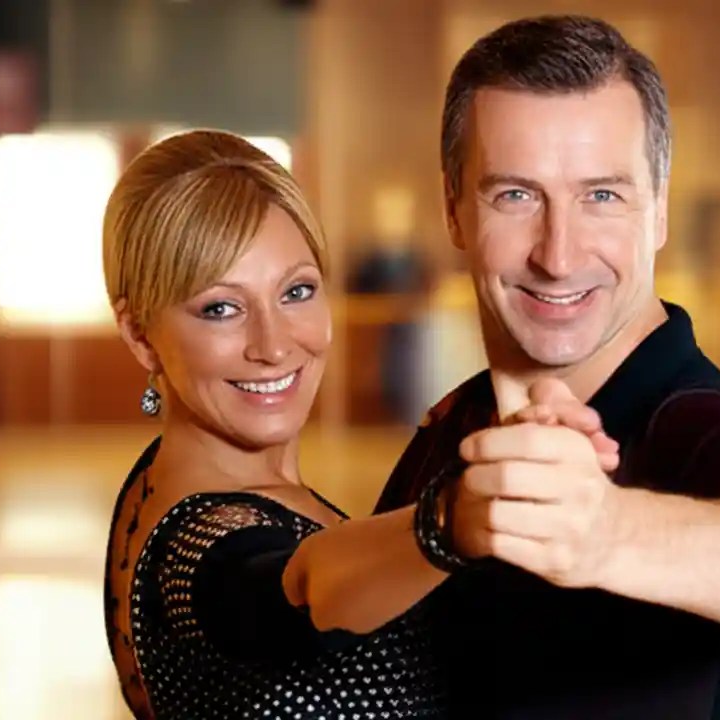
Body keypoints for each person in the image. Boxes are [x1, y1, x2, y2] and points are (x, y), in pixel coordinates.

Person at [373, 15, 720, 720]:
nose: (558, 255)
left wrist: (608, 531)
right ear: (454, 210)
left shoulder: (700, 421)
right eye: (516, 195)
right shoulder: (454, 423)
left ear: (658, 212)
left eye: (602, 196)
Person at [99, 129, 620, 718]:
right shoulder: (199, 542)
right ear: (140, 335)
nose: (273, 345)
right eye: (222, 308)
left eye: (296, 292)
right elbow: (296, 588)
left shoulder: (163, 482)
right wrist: (454, 519)